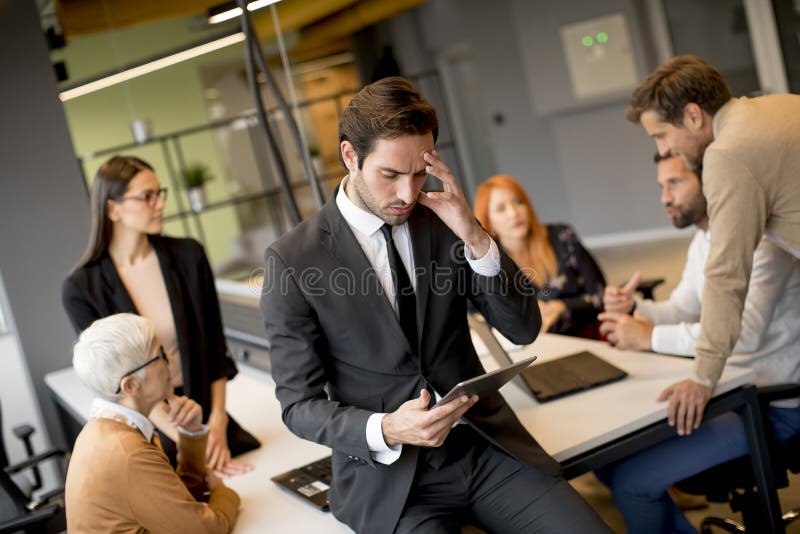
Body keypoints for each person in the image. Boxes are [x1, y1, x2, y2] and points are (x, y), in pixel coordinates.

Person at [260, 77, 609, 533]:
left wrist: (475, 235)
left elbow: (523, 330)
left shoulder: (445, 220)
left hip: (485, 449)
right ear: (350, 156)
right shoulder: (292, 260)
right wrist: (385, 429)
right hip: (393, 482)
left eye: (419, 172)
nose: (408, 193)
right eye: (390, 175)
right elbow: (298, 406)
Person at [594, 153, 800, 533]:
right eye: (661, 186)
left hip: (772, 406)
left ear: (711, 182)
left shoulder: (765, 240)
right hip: (728, 391)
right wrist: (636, 308)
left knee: (632, 484)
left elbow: (744, 330)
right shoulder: (705, 237)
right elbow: (684, 307)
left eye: (674, 183)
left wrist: (649, 337)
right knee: (607, 463)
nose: (664, 197)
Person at [625, 54, 800, 436]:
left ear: (692, 115)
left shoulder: (728, 153)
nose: (666, 149)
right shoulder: (776, 106)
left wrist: (703, 377)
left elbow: (726, 275)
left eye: (661, 135)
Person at [62, 155, 255, 476]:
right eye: (146, 196)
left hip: (207, 414)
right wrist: (188, 439)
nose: (159, 203)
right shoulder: (81, 289)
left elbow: (214, 348)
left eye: (159, 193)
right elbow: (116, 385)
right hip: (150, 427)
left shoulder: (188, 255)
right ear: (113, 210)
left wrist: (216, 421)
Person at [66, 313, 240, 533]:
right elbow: (205, 530)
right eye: (159, 356)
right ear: (130, 386)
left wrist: (191, 433)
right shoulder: (128, 452)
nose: (171, 359)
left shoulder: (109, 428)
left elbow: (178, 498)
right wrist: (224, 493)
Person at [473, 174, 606, 337]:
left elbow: (601, 295)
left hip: (586, 337)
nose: (514, 213)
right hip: (535, 348)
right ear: (489, 221)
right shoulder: (490, 263)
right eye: (501, 209)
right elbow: (478, 316)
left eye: (518, 202)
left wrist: (562, 306)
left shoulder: (562, 236)